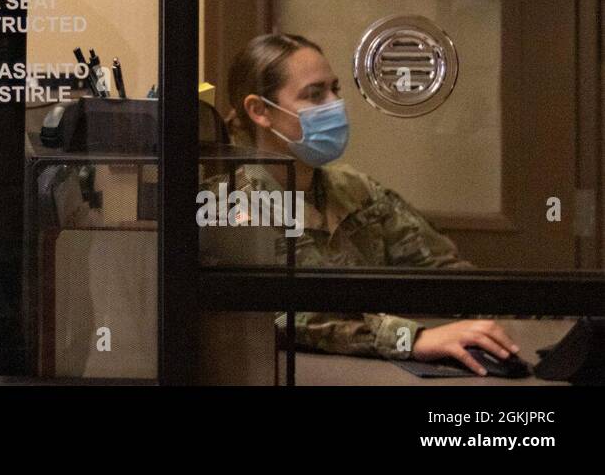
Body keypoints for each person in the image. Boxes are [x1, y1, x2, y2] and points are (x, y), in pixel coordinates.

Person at [216, 32, 518, 376]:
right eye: (315, 95)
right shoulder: (227, 205)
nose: (334, 104)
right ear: (260, 111)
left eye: (335, 90)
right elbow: (282, 315)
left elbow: (441, 270)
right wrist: (411, 339)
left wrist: (502, 308)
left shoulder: (355, 189)